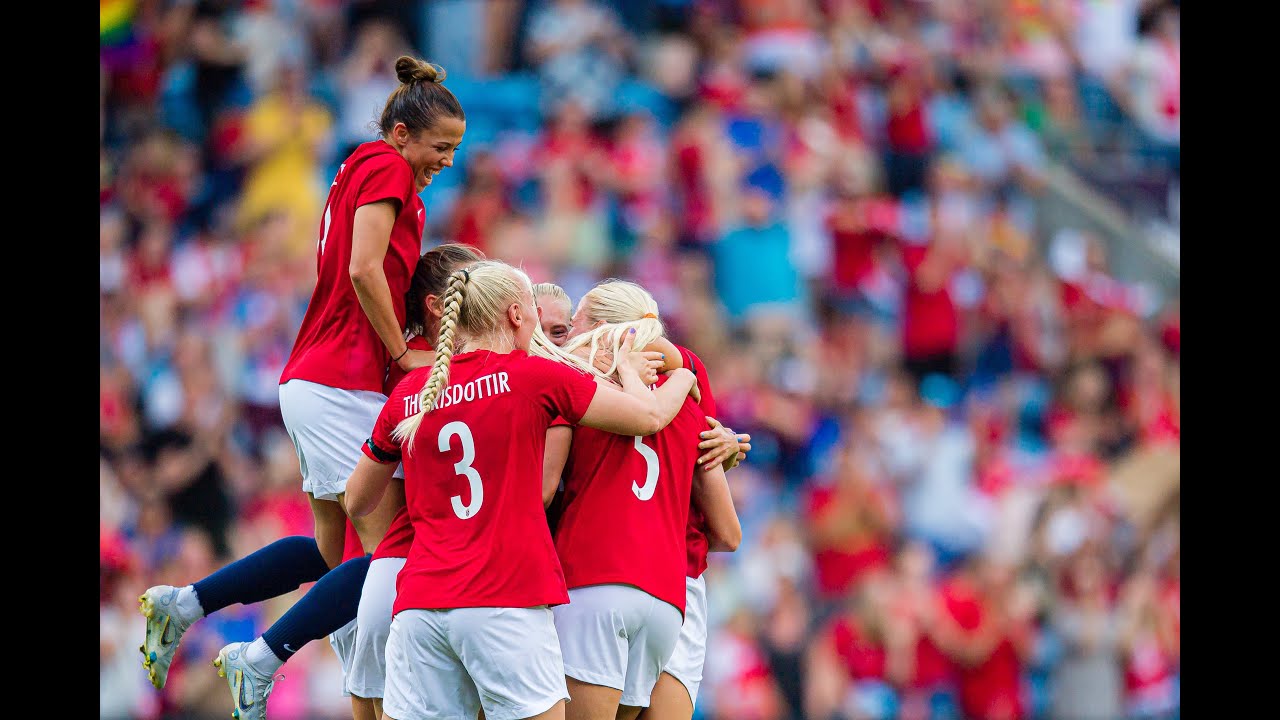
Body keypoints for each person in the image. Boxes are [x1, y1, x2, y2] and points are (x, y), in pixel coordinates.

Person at [138, 56, 466, 720]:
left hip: (319, 377)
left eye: (455, 150)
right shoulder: (386, 166)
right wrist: (404, 353)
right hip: (342, 380)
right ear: (402, 134)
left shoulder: (365, 169)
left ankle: (186, 604)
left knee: (328, 551)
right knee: (390, 550)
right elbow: (364, 266)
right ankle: (265, 661)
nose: (447, 161)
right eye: (440, 147)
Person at [344, 260, 700, 720]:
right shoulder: (534, 377)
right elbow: (648, 417)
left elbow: (357, 500)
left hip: (420, 605)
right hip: (506, 599)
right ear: (516, 314)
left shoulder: (412, 393)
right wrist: (664, 372)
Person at [550, 280, 743, 720]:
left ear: (599, 326)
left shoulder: (576, 388)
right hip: (669, 592)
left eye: (575, 320)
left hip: (594, 576)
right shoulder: (687, 393)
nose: (567, 335)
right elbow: (729, 533)